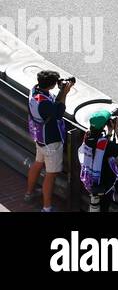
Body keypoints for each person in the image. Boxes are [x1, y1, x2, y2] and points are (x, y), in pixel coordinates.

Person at [25, 70, 73, 212]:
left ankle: (29, 193)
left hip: (39, 137)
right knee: (50, 175)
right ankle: (47, 208)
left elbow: (51, 106)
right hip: (51, 141)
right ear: (52, 85)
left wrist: (60, 90)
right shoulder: (45, 104)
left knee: (38, 163)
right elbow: (58, 113)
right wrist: (64, 92)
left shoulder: (34, 91)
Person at [78, 109, 118, 211]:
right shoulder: (106, 144)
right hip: (104, 183)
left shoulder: (87, 137)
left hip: (91, 180)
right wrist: (116, 130)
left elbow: (100, 147)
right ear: (103, 126)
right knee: (104, 208)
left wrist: (109, 132)